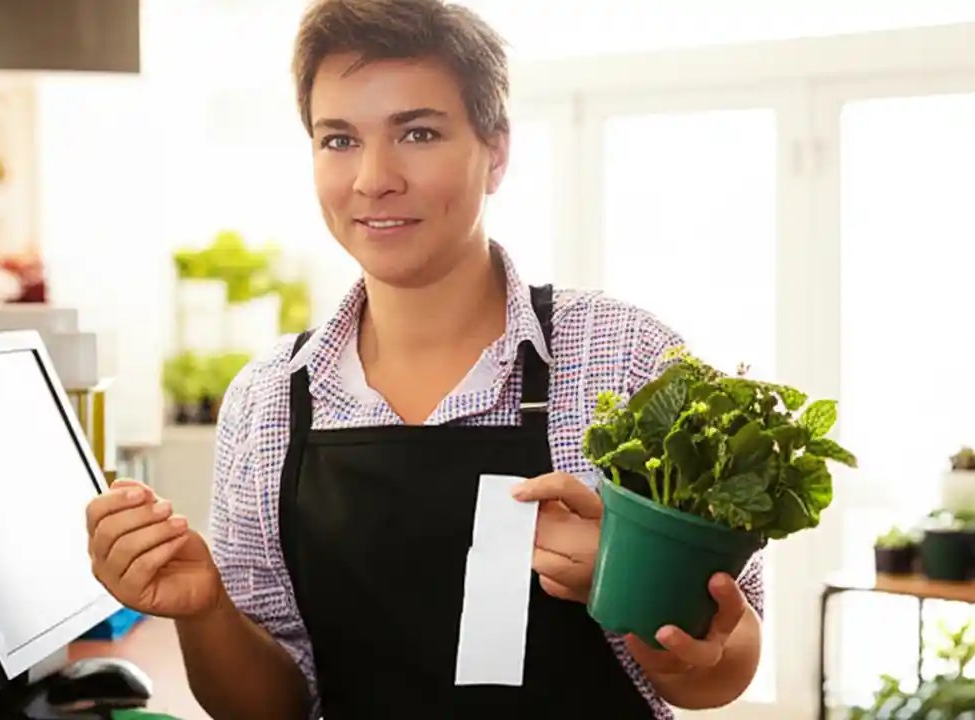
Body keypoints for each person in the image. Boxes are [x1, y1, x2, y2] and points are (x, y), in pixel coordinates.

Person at [85, 0, 765, 717]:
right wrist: (203, 609)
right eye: (339, 140)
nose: (373, 178)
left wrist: (635, 588)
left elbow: (723, 669)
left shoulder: (627, 359)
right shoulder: (266, 402)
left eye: (417, 132)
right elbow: (271, 709)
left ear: (495, 151)